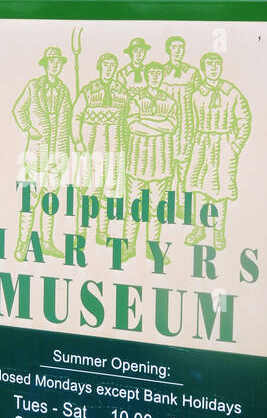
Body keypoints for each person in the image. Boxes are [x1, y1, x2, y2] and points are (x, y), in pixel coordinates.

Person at [184, 53, 251, 250]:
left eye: (216, 65)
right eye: (209, 65)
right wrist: (189, 146)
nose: (213, 68)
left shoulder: (231, 92)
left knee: (220, 190)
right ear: (203, 69)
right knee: (199, 189)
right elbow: (189, 123)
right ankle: (199, 228)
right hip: (201, 144)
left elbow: (244, 120)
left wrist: (235, 145)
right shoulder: (196, 94)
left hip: (223, 144)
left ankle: (218, 231)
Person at [12, 46, 72, 260]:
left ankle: (46, 242)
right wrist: (29, 129)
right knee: (30, 200)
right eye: (52, 62)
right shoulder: (34, 86)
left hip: (57, 154)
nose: (55, 66)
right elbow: (19, 109)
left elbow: (67, 124)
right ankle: (22, 243)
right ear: (46, 65)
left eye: (58, 63)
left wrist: (65, 154)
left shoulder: (64, 90)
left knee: (50, 200)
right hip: (37, 152)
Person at [122, 61, 178, 260]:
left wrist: (146, 123)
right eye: (151, 73)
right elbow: (132, 125)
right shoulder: (136, 100)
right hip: (138, 161)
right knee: (134, 206)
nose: (155, 76)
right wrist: (158, 125)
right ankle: (128, 247)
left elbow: (172, 125)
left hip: (161, 162)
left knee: (156, 208)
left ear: (162, 76)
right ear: (146, 76)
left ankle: (152, 248)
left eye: (158, 73)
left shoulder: (170, 101)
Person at [71, 53, 128, 245]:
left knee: (108, 195)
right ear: (99, 66)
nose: (109, 68)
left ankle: (102, 233)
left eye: (113, 65)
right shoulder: (88, 91)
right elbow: (76, 117)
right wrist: (78, 142)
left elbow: (126, 121)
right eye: (106, 64)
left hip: (114, 151)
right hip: (91, 151)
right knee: (88, 194)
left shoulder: (122, 92)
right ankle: (81, 233)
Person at [160, 35, 200, 196]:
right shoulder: (160, 71)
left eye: (180, 48)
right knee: (166, 170)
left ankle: (182, 205)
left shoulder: (192, 72)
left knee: (185, 170)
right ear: (168, 50)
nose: (177, 51)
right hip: (166, 128)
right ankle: (164, 205)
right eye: (174, 47)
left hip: (186, 126)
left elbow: (198, 100)